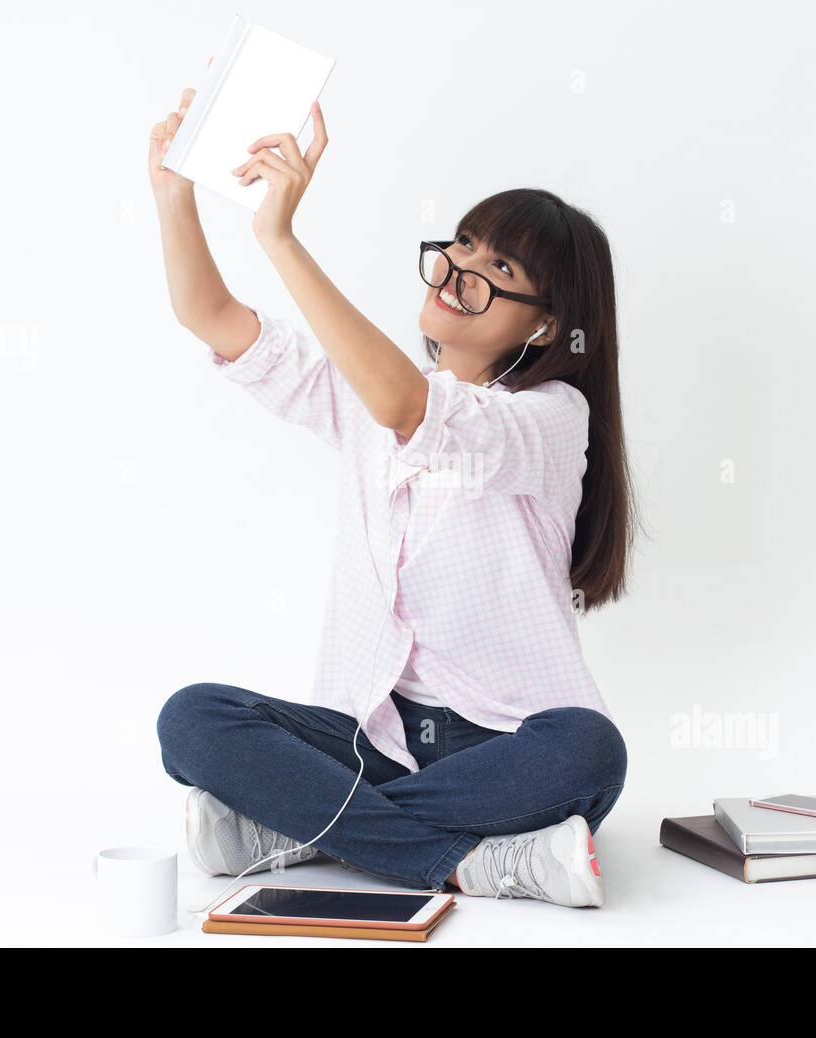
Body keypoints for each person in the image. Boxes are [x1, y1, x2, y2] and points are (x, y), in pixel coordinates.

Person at [147, 69, 639, 908]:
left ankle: (299, 829)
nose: (457, 270)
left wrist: (283, 238)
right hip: (370, 735)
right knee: (191, 718)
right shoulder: (366, 389)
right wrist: (174, 196)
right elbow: (212, 318)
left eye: (499, 265)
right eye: (461, 246)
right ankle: (468, 861)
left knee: (591, 751)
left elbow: (408, 408)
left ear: (547, 323)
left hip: (508, 743)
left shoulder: (552, 418)